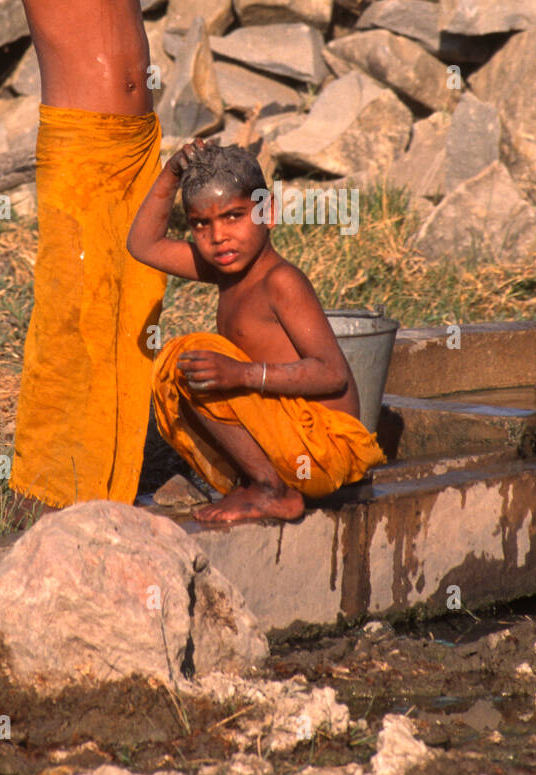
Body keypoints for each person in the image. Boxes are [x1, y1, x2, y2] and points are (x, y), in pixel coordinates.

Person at [7, 0, 228, 519]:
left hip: (138, 144)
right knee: (75, 306)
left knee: (136, 300)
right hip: (78, 147)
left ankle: (114, 474)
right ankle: (50, 486)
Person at [127, 140, 386, 524]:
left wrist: (242, 374)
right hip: (292, 442)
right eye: (202, 224)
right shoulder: (222, 268)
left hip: (326, 449)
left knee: (192, 351)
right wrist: (171, 173)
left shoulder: (281, 281)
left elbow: (332, 373)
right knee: (180, 368)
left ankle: (271, 491)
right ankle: (258, 482)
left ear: (268, 213)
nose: (218, 237)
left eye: (234, 216)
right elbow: (142, 244)